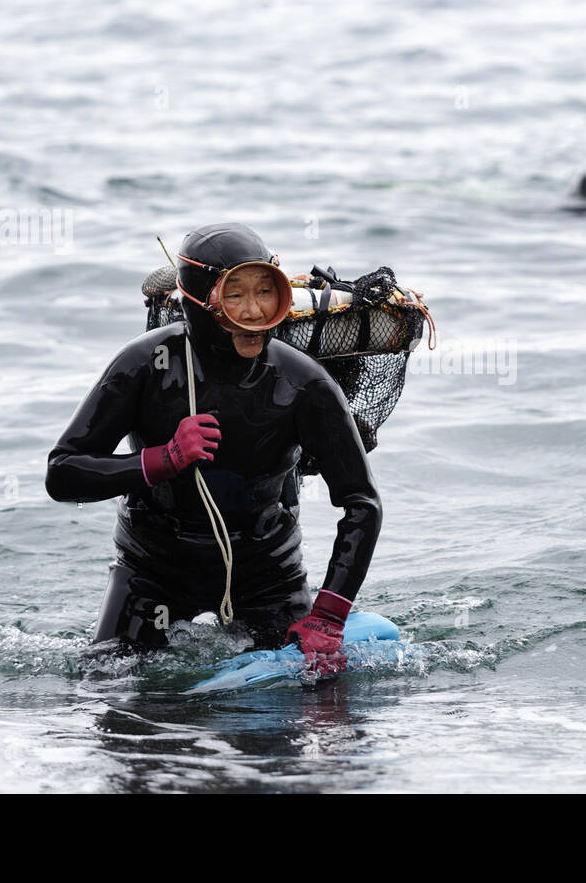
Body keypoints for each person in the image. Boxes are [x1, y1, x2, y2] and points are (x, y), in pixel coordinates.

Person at [45, 222, 381, 674]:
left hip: (267, 576)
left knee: (317, 698)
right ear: (199, 303)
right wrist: (161, 461)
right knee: (105, 689)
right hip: (152, 574)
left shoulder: (304, 382)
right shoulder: (144, 366)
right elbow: (63, 474)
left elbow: (362, 503)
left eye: (265, 292)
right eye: (235, 295)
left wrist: (328, 616)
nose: (255, 312)